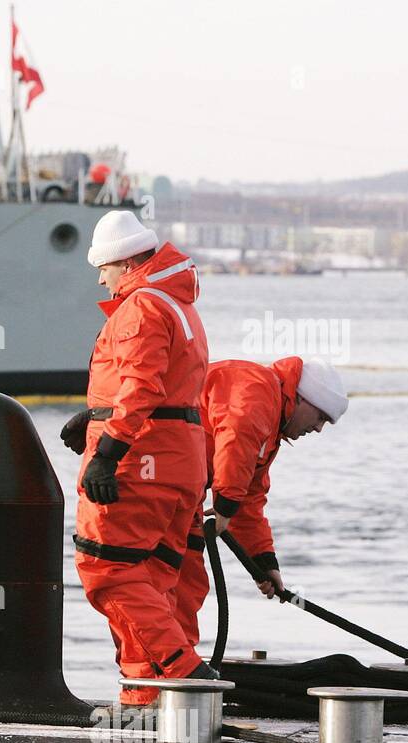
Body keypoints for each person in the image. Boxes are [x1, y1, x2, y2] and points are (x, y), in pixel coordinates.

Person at [63, 209, 214, 708]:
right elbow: (163, 387)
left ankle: (181, 671)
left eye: (102, 267)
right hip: (179, 460)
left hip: (142, 459)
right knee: (151, 580)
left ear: (126, 262)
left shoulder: (142, 307)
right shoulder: (178, 306)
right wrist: (92, 417)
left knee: (108, 569)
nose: (100, 278)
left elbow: (142, 385)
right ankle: (146, 697)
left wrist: (108, 450)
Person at [172, 357, 347, 645]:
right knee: (167, 586)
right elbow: (236, 435)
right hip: (156, 483)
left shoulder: (270, 428)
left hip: (179, 494)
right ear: (303, 399)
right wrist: (226, 504)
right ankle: (165, 676)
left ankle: (173, 676)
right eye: (320, 418)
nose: (318, 429)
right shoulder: (259, 390)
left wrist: (264, 563)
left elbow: (249, 500)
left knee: (186, 588)